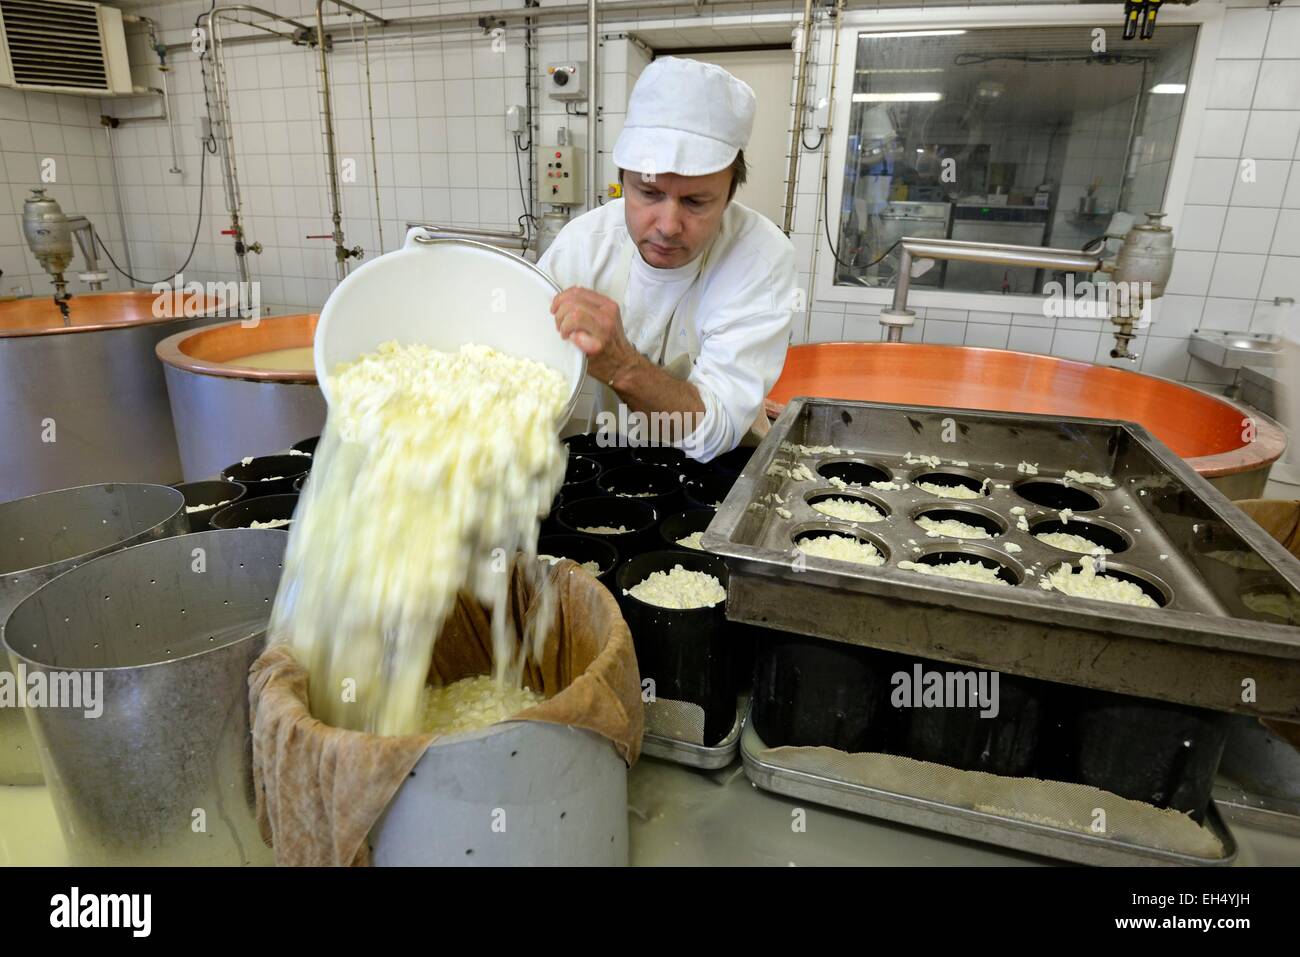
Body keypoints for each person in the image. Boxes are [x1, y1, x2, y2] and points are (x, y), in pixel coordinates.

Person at [538, 56, 798, 462]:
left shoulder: (760, 259)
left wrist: (621, 366)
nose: (668, 225)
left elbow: (715, 429)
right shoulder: (584, 244)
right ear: (623, 179)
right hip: (613, 457)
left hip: (720, 473)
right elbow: (519, 352)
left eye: (695, 201)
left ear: (729, 196)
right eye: (649, 193)